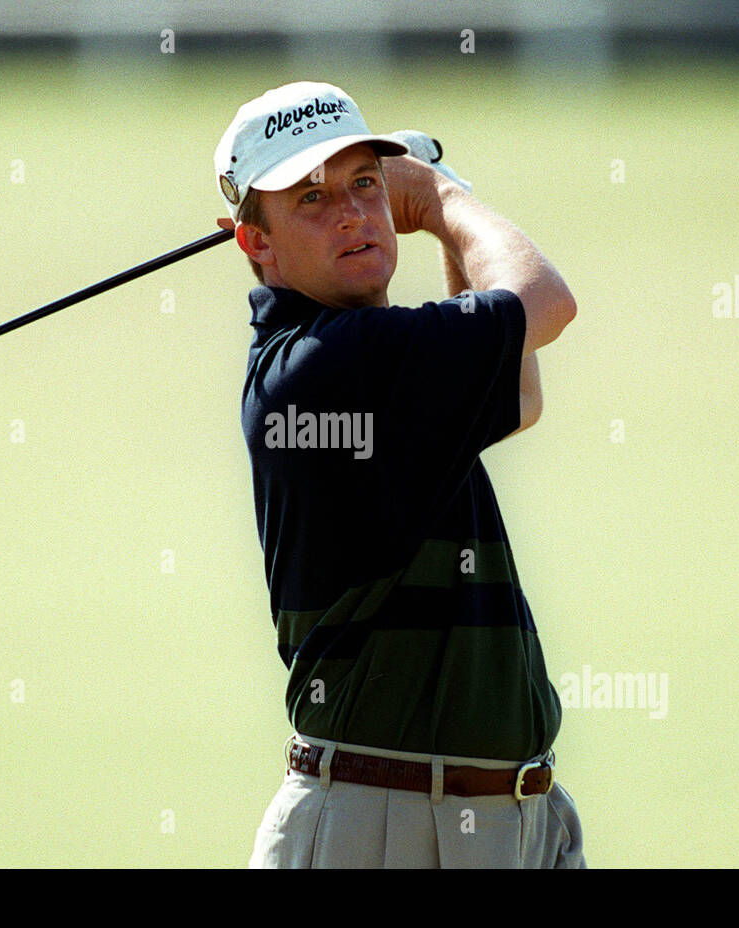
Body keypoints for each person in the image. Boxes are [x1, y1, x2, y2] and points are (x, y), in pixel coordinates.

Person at [214, 81, 585, 868]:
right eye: (311, 197)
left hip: (506, 819)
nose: (351, 213)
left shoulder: (363, 354)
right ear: (256, 244)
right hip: (388, 827)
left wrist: (441, 215)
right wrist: (442, 196)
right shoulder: (325, 367)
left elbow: (516, 392)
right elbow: (544, 301)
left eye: (364, 184)